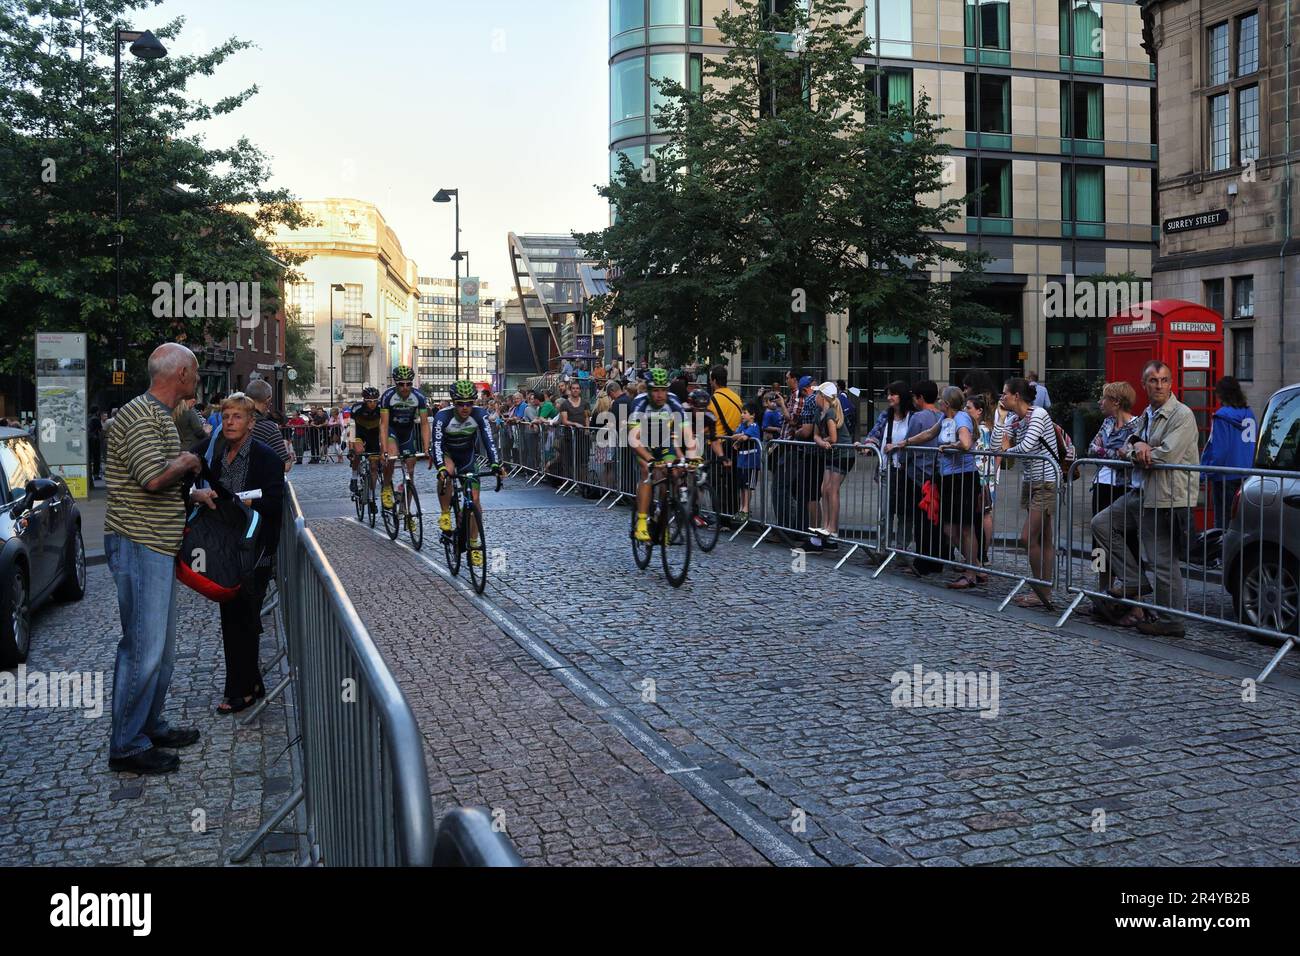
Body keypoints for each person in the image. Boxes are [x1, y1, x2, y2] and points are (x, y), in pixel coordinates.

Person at [103, 343, 204, 774]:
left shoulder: (158, 415)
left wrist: (194, 491)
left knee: (160, 650)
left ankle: (149, 725)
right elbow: (152, 478)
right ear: (180, 374)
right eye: (195, 373)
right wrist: (186, 462)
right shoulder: (143, 416)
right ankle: (127, 745)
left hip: (154, 544)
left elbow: (157, 478)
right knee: (143, 649)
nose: (197, 381)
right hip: (139, 543)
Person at [186, 393, 284, 714]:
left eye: (237, 417)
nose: (229, 422)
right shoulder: (216, 453)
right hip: (226, 544)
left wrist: (241, 502)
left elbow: (274, 500)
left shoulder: (265, 457)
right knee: (233, 613)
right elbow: (189, 465)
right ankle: (249, 682)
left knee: (245, 614)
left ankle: (238, 690)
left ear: (251, 423)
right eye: (226, 416)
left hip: (256, 546)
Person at [1090, 360, 1200, 637]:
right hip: (1138, 491)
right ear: (1145, 384)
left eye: (1164, 380)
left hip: (1166, 496)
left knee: (1163, 561)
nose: (1159, 385)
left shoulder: (1182, 415)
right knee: (1101, 524)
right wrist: (1137, 448)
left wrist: (1139, 449)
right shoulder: (1147, 414)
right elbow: (1129, 446)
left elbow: (1165, 454)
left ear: (1171, 383)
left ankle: (1170, 621)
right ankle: (1132, 580)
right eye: (1153, 380)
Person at [992, 377, 1059, 610]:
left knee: (1027, 537)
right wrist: (1000, 420)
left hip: (1047, 480)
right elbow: (995, 446)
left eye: (1004, 394)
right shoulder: (1012, 418)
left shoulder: (1038, 414)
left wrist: (1007, 450)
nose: (1001, 398)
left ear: (1016, 396)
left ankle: (1040, 589)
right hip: (1030, 481)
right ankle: (1044, 589)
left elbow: (1027, 446)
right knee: (1044, 537)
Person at [1086, 381, 1144, 622]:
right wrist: (1114, 454)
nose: (1101, 402)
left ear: (1116, 402)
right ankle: (1103, 594)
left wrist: (1110, 453)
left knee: (1128, 544)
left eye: (1104, 398)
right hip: (1102, 485)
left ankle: (1135, 604)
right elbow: (1092, 448)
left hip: (1123, 488)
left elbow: (1127, 455)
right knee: (1098, 546)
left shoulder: (1137, 424)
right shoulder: (1107, 423)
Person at [433, 381, 505, 566]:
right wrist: (440, 466)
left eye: (469, 403)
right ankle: (445, 514)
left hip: (467, 457)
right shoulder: (443, 416)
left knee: (474, 501)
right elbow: (437, 444)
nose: (465, 408)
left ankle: (474, 543)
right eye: (460, 403)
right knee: (447, 473)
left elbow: (489, 441)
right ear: (453, 402)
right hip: (448, 454)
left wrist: (496, 464)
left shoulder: (480, 415)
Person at [627, 367, 698, 542]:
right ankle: (642, 522)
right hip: (643, 442)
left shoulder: (673, 401)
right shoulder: (640, 402)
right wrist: (650, 459)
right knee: (647, 472)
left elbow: (686, 431)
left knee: (672, 472)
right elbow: (633, 438)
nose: (660, 395)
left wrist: (693, 456)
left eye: (663, 390)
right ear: (648, 390)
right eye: (655, 390)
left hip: (664, 442)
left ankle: (662, 516)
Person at [884, 380, 945, 574]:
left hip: (917, 473)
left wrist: (900, 457)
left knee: (920, 519)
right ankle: (936, 560)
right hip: (935, 472)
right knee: (934, 518)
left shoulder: (918, 418)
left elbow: (907, 446)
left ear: (919, 398)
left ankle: (922, 562)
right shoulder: (941, 415)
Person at [379, 365, 433, 530]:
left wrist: (426, 449)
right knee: (392, 456)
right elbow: (383, 424)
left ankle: (406, 510)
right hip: (392, 431)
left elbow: (424, 424)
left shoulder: (419, 397)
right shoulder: (388, 396)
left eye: (408, 384)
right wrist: (384, 450)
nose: (405, 388)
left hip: (407, 433)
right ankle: (387, 486)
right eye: (401, 384)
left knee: (410, 472)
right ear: (395, 383)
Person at [863, 380, 915, 547]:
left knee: (904, 513)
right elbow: (874, 434)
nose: (889, 397)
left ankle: (901, 549)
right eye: (888, 394)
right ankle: (882, 547)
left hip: (906, 472)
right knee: (884, 512)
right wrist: (868, 446)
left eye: (893, 394)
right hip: (887, 471)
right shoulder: (886, 415)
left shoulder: (913, 417)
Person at [1201, 375, 1256, 530]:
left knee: (1223, 523)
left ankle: (1224, 553)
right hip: (1247, 473)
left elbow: (1220, 451)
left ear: (1220, 395)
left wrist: (1208, 472)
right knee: (1243, 522)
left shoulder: (1221, 416)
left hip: (1225, 475)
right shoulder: (1249, 413)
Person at [810, 381, 856, 550]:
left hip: (843, 454)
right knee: (824, 489)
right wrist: (820, 441)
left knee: (832, 489)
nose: (814, 397)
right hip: (831, 454)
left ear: (823, 397)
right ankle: (825, 525)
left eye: (817, 394)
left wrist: (823, 441)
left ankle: (832, 528)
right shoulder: (819, 413)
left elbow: (834, 438)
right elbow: (815, 435)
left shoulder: (830, 412)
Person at [245, 379, 294, 474]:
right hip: (256, 484)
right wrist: (290, 455)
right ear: (268, 400)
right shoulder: (268, 428)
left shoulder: (226, 424)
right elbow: (284, 465)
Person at [348, 386, 383, 503]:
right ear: (364, 400)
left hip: (374, 435)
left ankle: (371, 493)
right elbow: (352, 428)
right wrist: (351, 448)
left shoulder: (381, 408)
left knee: (374, 467)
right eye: (369, 401)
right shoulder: (356, 408)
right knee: (358, 452)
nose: (372, 404)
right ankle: (354, 477)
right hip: (360, 433)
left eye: (375, 401)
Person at [733, 404, 762, 521]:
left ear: (752, 415)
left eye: (745, 413)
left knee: (747, 487)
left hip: (751, 463)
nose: (742, 415)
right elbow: (734, 436)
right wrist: (740, 438)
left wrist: (739, 440)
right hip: (742, 462)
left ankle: (746, 509)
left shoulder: (754, 426)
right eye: (742, 412)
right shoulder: (742, 425)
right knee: (741, 486)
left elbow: (744, 438)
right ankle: (741, 509)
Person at [88, 406, 103, 480]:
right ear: (97, 411)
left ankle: (89, 474)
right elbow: (100, 429)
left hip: (88, 439)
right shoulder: (96, 419)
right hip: (95, 440)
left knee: (89, 457)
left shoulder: (87, 418)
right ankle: (96, 474)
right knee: (96, 457)